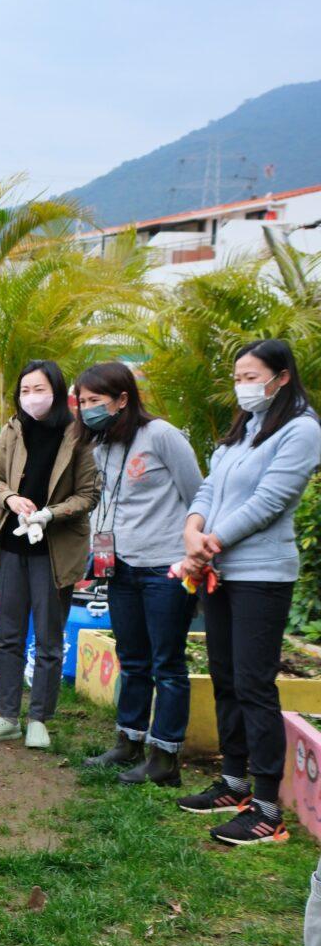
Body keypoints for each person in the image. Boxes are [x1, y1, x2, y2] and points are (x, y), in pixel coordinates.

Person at [175, 339, 321, 845]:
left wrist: (206, 545)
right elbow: (209, 489)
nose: (243, 385)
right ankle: (232, 781)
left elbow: (271, 500)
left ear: (281, 377)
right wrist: (193, 532)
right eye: (238, 376)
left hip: (262, 574)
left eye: (251, 375)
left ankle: (265, 807)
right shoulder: (244, 432)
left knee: (255, 684)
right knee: (225, 675)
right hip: (220, 570)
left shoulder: (301, 430)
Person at [75, 362, 203, 786]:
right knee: (131, 658)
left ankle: (165, 757)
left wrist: (194, 552)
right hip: (122, 567)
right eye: (84, 401)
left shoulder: (162, 436)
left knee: (166, 662)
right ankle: (128, 740)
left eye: (96, 401)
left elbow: (198, 492)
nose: (88, 408)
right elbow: (109, 506)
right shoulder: (103, 446)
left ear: (123, 399)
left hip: (165, 567)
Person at [0, 360, 100, 751]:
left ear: (58, 392)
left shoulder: (78, 436)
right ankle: (8, 716)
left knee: (47, 638)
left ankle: (40, 718)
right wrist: (10, 498)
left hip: (54, 550)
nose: (32, 397)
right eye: (25, 390)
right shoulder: (12, 429)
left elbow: (89, 493)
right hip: (11, 547)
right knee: (9, 636)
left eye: (39, 389)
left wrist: (51, 513)